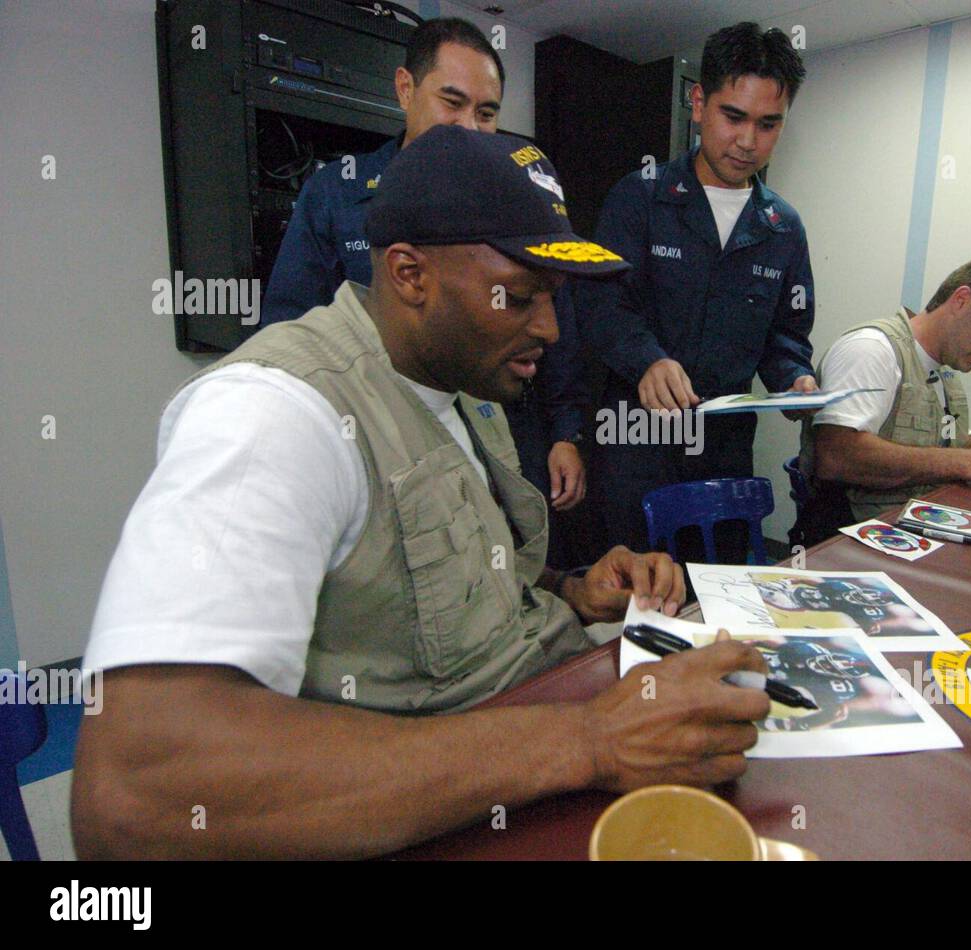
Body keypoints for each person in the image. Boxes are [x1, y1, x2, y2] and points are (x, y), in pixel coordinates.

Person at [71, 127, 771, 860]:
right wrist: (590, 740)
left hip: (543, 704)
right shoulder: (274, 414)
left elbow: (424, 582)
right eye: (521, 297)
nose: (551, 329)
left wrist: (569, 588)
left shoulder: (460, 374)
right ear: (409, 274)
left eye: (555, 298)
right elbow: (135, 788)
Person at [260, 17, 589, 547]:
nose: (469, 128)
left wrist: (565, 432)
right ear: (406, 89)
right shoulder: (336, 194)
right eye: (451, 103)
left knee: (506, 560)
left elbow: (555, 323)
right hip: (381, 437)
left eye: (486, 113)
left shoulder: (518, 190)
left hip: (498, 425)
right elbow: (289, 328)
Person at [576, 22, 816, 562]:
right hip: (637, 438)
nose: (748, 141)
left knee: (721, 597)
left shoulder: (783, 226)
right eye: (734, 117)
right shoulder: (640, 197)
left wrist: (796, 380)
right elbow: (601, 304)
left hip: (723, 448)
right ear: (699, 102)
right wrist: (647, 361)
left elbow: (785, 334)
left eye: (768, 124)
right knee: (636, 595)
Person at [792, 260, 971, 546]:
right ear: (962, 300)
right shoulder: (871, 349)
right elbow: (837, 457)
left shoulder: (944, 371)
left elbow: (939, 452)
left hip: (916, 531)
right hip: (851, 543)